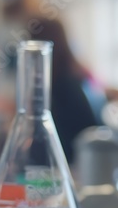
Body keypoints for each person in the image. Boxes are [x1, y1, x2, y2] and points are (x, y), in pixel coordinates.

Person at [25, 17, 99, 163]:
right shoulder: (74, 76)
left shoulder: (57, 86)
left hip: (70, 165)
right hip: (83, 161)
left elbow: (45, 144)